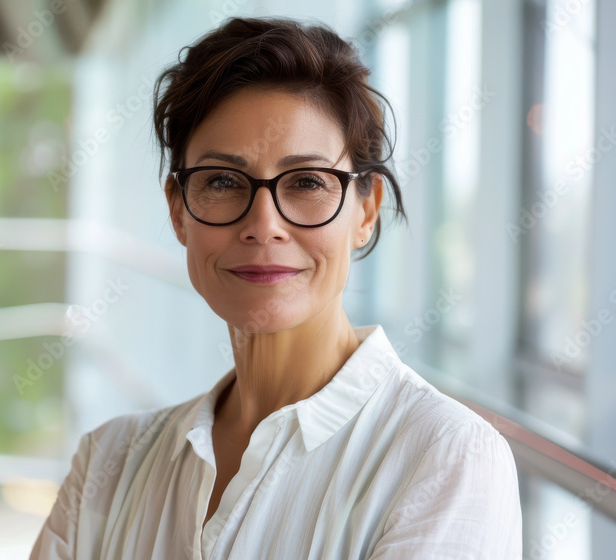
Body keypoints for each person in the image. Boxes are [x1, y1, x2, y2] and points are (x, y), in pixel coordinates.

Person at [29, 16, 522, 560]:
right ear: (178, 211)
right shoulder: (109, 462)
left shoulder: (444, 459)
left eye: (307, 182)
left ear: (367, 210)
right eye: (221, 180)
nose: (264, 224)